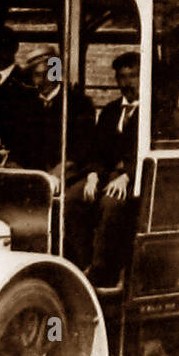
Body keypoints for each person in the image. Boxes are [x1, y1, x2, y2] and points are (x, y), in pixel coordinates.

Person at [65, 52, 141, 285]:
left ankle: (103, 272)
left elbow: (153, 151)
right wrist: (92, 175)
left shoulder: (157, 111)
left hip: (137, 178)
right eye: (122, 77)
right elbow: (95, 149)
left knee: (112, 203)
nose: (127, 83)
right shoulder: (110, 111)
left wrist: (128, 175)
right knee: (72, 198)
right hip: (106, 175)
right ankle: (79, 264)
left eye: (133, 76)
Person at [8, 47, 94, 182]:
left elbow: (80, 149)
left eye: (48, 74)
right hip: (34, 175)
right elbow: (18, 146)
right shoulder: (25, 106)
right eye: (37, 75)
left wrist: (55, 175)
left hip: (68, 174)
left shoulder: (79, 104)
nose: (43, 81)